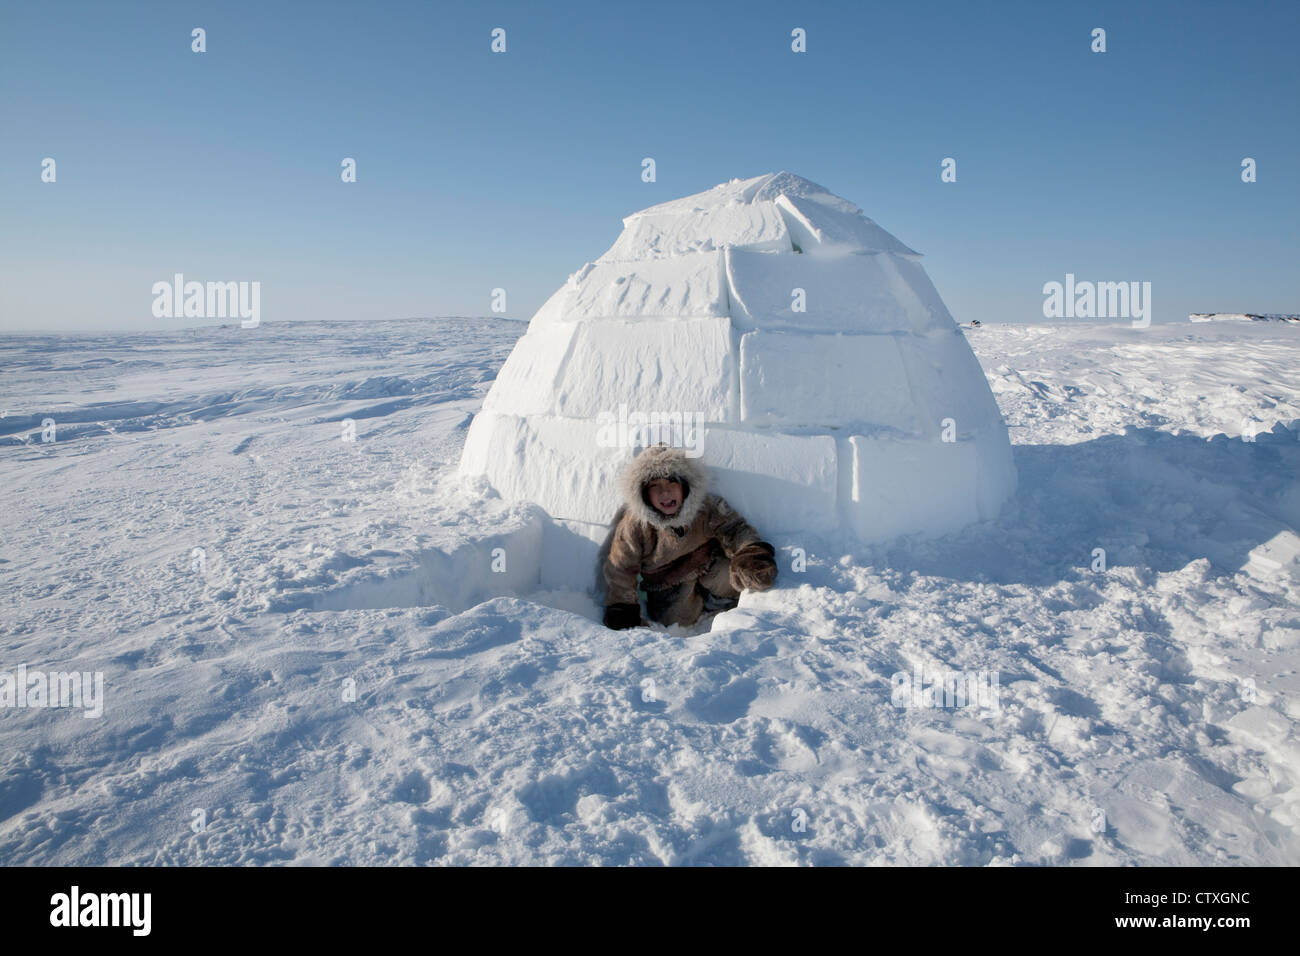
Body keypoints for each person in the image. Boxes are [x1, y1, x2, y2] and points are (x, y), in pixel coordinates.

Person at [600, 444, 777, 629]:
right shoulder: (636, 524)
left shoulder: (704, 506)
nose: (665, 492)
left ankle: (716, 600)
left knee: (733, 583)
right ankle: (695, 603)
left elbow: (734, 529)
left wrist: (751, 552)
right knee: (677, 621)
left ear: (685, 486)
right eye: (655, 486)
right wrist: (621, 606)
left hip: (709, 563)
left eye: (671, 483)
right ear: (643, 493)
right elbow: (621, 566)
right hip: (667, 583)